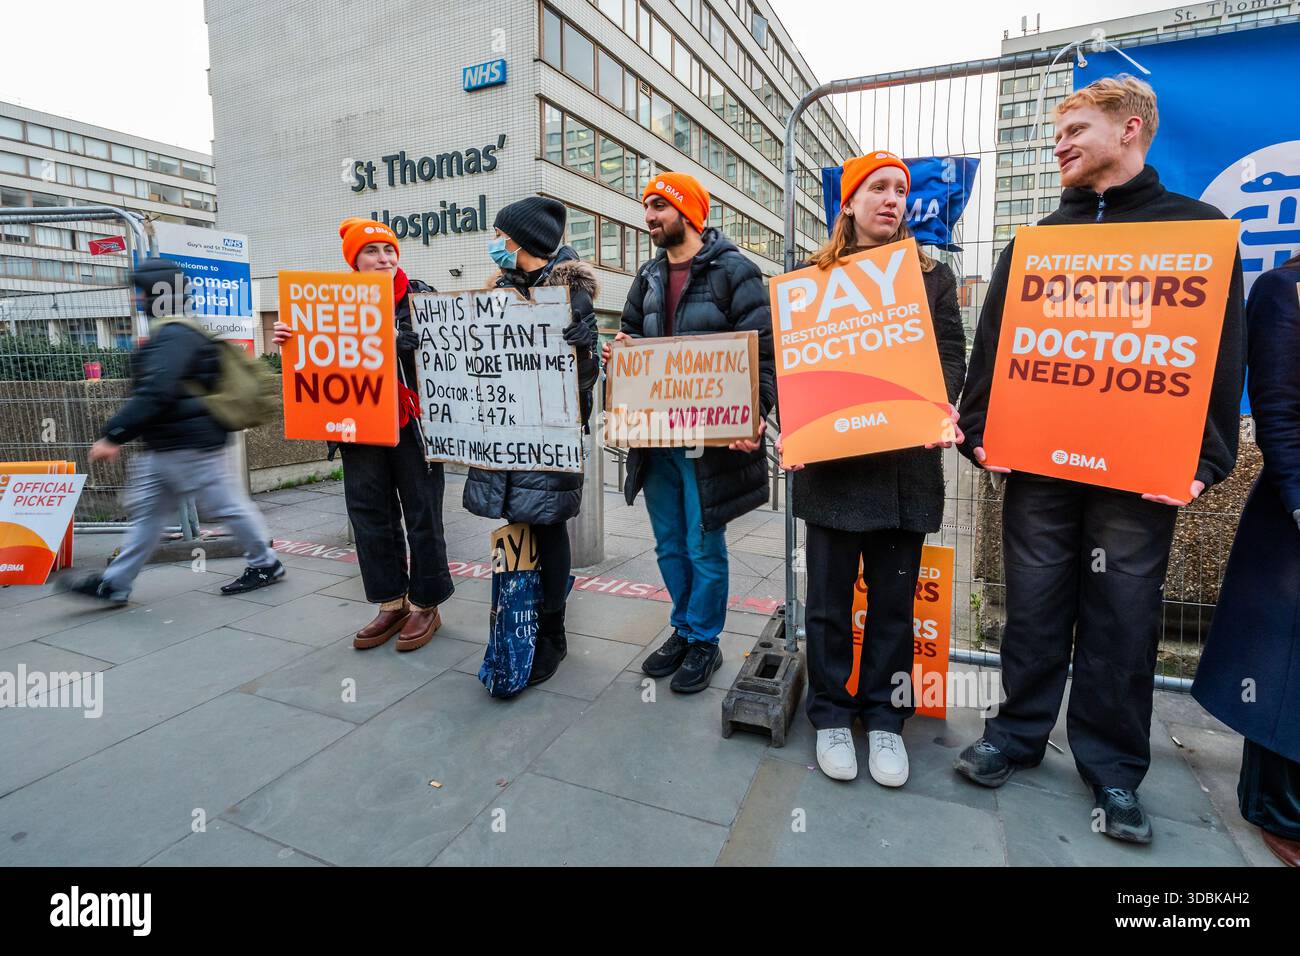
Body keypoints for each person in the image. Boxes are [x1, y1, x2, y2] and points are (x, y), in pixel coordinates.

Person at [952, 75, 1246, 844]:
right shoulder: (1037, 243)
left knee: (1124, 618)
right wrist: (979, 427)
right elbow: (994, 346)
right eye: (1058, 133)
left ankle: (1114, 771)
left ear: (1133, 128)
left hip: (1138, 473)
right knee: (1034, 605)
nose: (1061, 144)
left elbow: (1218, 358)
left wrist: (1207, 459)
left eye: (1077, 128)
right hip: (1040, 469)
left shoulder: (1198, 232)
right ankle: (1015, 735)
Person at [774, 151, 967, 787]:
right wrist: (792, 421)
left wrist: (934, 405)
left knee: (893, 606)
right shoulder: (809, 280)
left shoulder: (932, 278)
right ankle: (830, 714)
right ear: (848, 204)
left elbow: (952, 361)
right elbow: (789, 371)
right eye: (877, 188)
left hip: (905, 472)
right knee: (828, 605)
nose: (892, 199)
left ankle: (884, 721)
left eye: (901, 191)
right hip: (833, 472)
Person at [602, 172, 775, 694]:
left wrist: (757, 409)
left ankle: (705, 640)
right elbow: (629, 338)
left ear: (689, 213)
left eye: (659, 206)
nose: (650, 215)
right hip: (656, 441)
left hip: (711, 443)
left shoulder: (735, 271)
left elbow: (765, 353)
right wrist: (618, 355)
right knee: (670, 545)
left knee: (704, 544)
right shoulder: (649, 275)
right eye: (647, 206)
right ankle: (682, 627)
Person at [273, 218, 453, 651]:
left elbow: (452, 353)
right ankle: (392, 602)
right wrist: (289, 339)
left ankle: (426, 603)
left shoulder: (421, 298)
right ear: (354, 259)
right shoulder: (330, 304)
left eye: (389, 250)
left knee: (422, 513)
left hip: (413, 425)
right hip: (358, 425)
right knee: (370, 514)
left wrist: (418, 344)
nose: (384, 258)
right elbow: (320, 355)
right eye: (372, 251)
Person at [63, 258, 284, 604]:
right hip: (166, 444)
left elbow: (156, 391)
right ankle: (115, 583)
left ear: (153, 294)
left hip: (190, 444)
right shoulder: (173, 330)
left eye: (137, 292)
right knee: (149, 517)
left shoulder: (175, 334)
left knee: (227, 507)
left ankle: (265, 562)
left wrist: (113, 435)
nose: (134, 299)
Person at [1190, 252, 1300, 867]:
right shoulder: (1285, 290)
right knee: (1285, 663)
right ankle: (1279, 810)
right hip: (1292, 509)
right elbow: (1279, 412)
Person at [462, 196, 599, 686]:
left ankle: (552, 632)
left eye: (501, 235)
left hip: (547, 437)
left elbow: (584, 383)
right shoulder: (497, 290)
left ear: (520, 242)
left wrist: (586, 351)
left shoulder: (571, 295)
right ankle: (517, 620)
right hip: (504, 434)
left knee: (547, 524)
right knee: (517, 522)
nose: (495, 243)